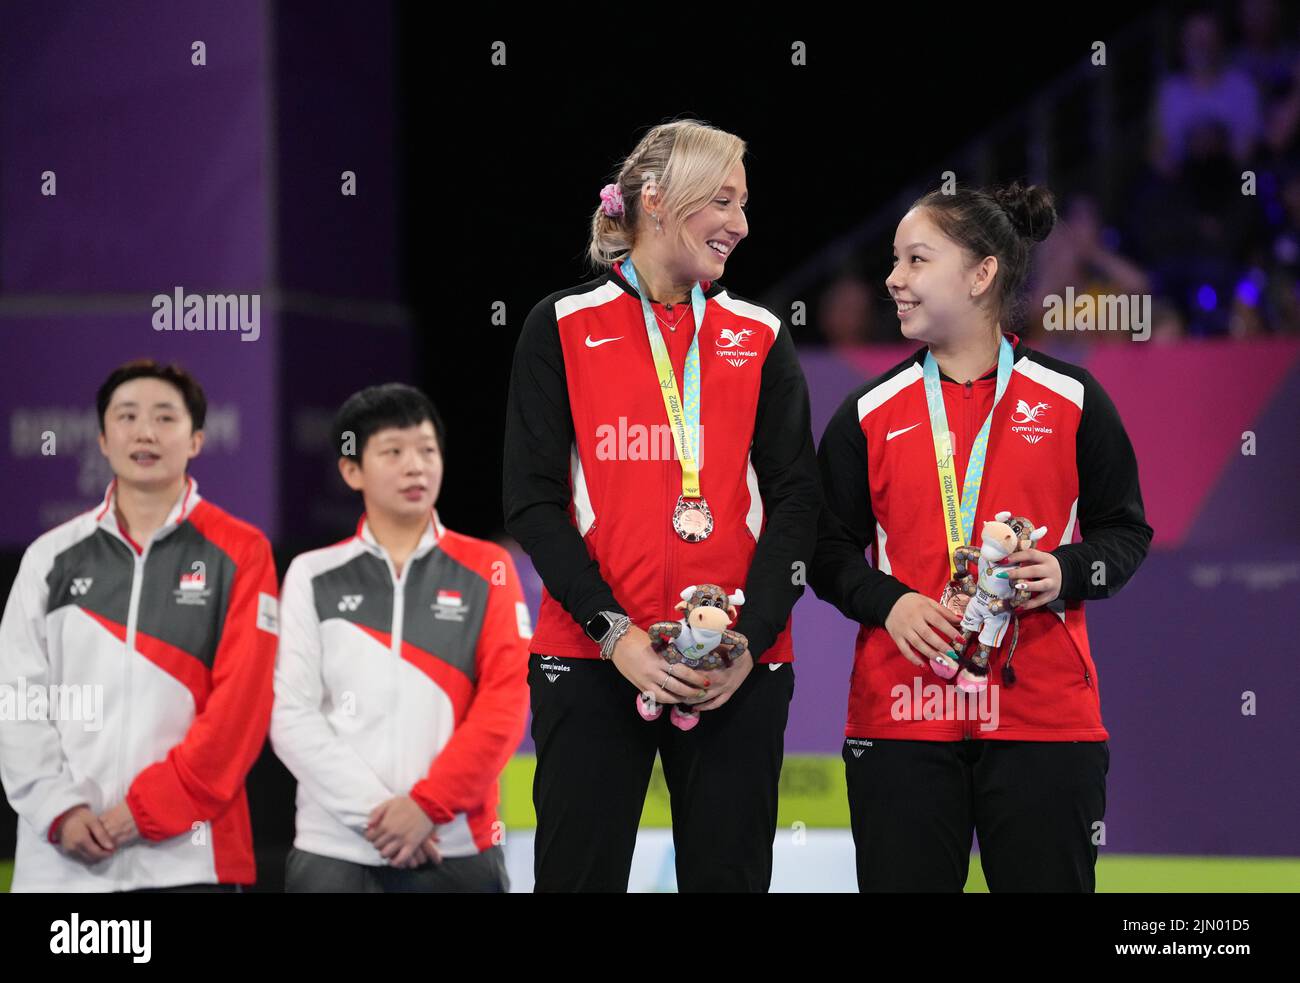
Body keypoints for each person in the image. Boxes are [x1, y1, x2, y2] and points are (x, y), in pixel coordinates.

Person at [503, 119, 820, 892]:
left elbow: (798, 501)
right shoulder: (560, 325)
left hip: (734, 668)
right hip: (590, 655)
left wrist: (747, 640)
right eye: (722, 201)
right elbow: (532, 502)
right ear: (655, 200)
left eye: (744, 204)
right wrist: (617, 636)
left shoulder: (760, 334)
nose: (741, 225)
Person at [810, 182, 1154, 892]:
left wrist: (1066, 569)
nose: (892, 279)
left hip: (1042, 721)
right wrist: (890, 603)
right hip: (904, 718)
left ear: (981, 273)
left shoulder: (1073, 399)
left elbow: (1125, 532)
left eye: (915, 260)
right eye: (894, 261)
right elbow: (826, 552)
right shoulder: (866, 413)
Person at [0, 359, 279, 892]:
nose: (145, 431)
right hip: (60, 868)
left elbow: (241, 711)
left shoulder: (241, 552)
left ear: (197, 439)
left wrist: (151, 808)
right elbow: (16, 698)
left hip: (192, 864)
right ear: (102, 438)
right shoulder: (49, 557)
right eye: (127, 417)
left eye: (165, 418)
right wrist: (59, 811)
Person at [271, 383, 528, 892]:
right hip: (333, 851)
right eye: (393, 452)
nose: (416, 466)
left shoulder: (489, 569)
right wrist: (384, 817)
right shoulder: (312, 573)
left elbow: (506, 704)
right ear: (352, 469)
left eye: (427, 450)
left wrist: (428, 807)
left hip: (454, 846)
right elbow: (290, 715)